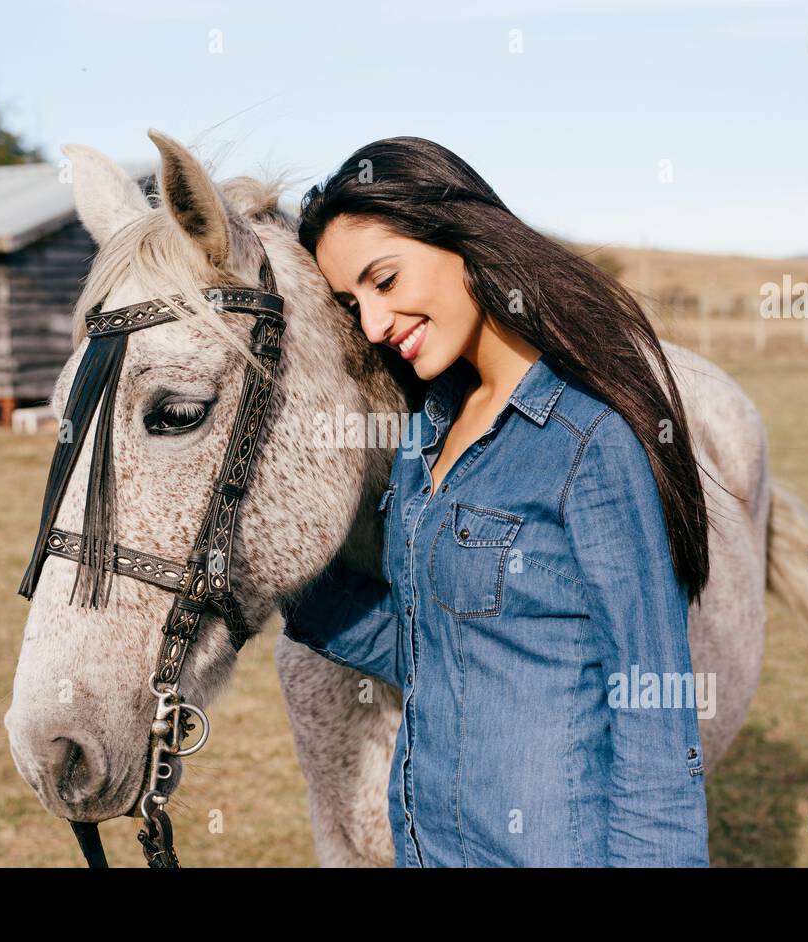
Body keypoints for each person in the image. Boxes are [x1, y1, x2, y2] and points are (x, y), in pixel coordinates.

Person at [281, 136, 713, 867]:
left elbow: (654, 720)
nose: (375, 324)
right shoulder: (427, 433)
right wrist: (278, 577)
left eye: (384, 279)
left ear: (459, 235)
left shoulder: (587, 444)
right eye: (355, 304)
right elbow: (434, 644)